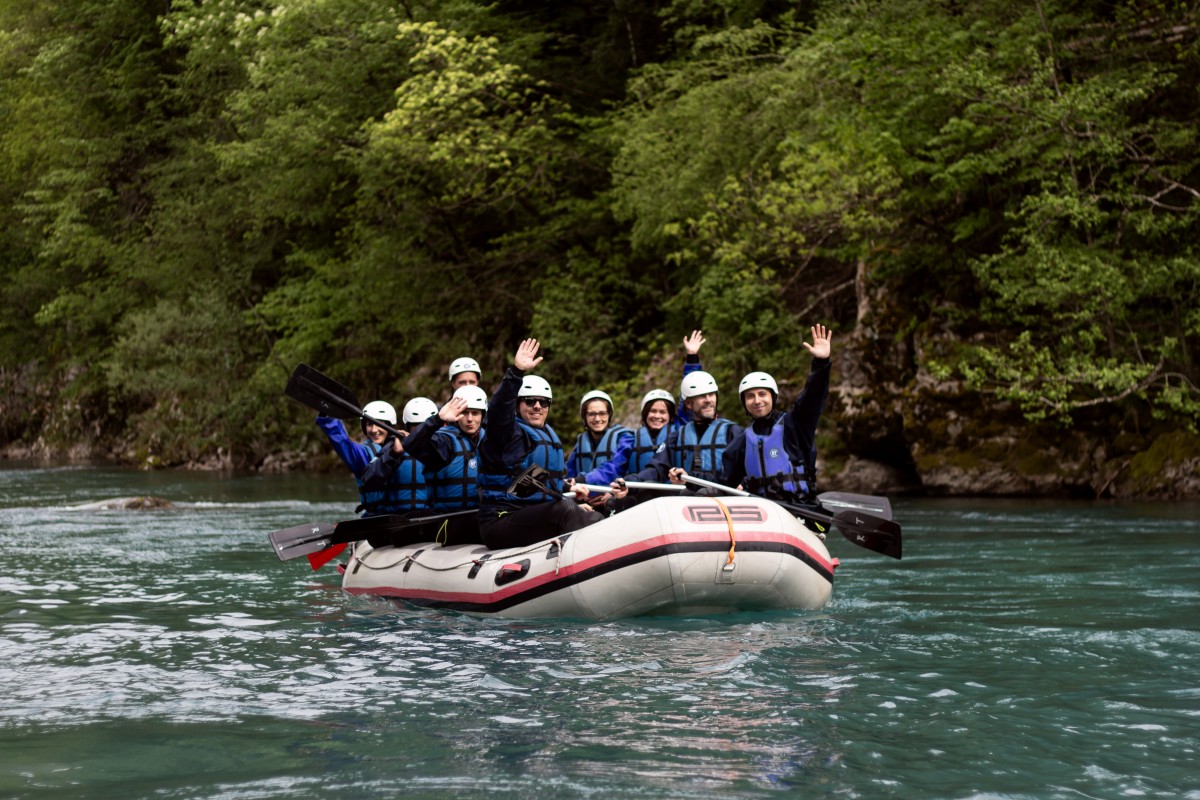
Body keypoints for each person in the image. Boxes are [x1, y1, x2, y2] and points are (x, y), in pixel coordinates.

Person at [475, 339, 603, 549]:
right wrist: (516, 373)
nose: (537, 406)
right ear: (517, 404)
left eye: (543, 402)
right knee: (565, 510)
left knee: (595, 516)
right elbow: (498, 411)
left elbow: (532, 480)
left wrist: (566, 487)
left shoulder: (544, 435)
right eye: (530, 401)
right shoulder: (506, 433)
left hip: (532, 514)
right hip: (501, 519)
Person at [721, 325, 832, 506]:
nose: (757, 401)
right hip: (763, 515)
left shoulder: (794, 424)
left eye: (762, 394)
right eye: (750, 396)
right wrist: (694, 486)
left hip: (799, 508)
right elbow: (724, 480)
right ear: (744, 404)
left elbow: (813, 398)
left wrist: (821, 363)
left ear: (773, 398)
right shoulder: (741, 441)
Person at [401, 385, 487, 511]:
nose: (470, 419)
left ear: (483, 415)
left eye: (475, 413)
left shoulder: (488, 439)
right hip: (447, 518)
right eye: (464, 412)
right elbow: (411, 444)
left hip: (480, 516)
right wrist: (438, 419)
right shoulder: (444, 441)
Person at [315, 399, 399, 516]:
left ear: (390, 425)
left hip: (404, 516)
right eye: (369, 424)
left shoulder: (406, 446)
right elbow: (343, 444)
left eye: (380, 424)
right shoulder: (363, 454)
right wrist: (328, 415)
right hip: (376, 519)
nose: (374, 430)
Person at [357, 397, 438, 515]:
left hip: (431, 517)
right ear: (408, 426)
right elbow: (367, 479)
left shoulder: (443, 447)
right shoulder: (392, 446)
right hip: (398, 519)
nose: (422, 431)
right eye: (417, 426)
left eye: (425, 426)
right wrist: (393, 454)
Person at [566, 390, 634, 494]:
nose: (597, 419)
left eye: (602, 413)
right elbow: (569, 473)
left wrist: (583, 480)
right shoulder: (581, 442)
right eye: (592, 414)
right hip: (584, 498)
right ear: (585, 417)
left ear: (609, 415)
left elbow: (615, 467)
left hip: (615, 496)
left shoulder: (624, 437)